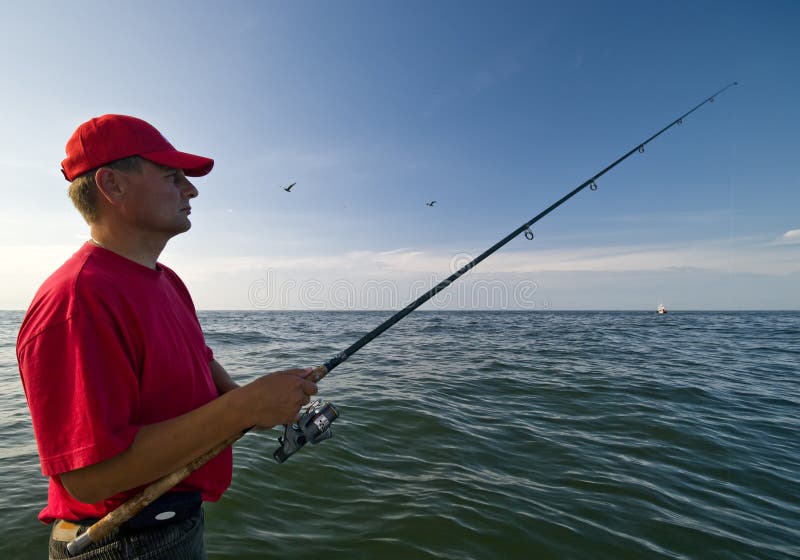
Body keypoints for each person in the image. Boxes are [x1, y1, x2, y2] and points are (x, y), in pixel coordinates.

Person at [16, 114, 319, 559]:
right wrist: (241, 407)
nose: (191, 190)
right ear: (112, 185)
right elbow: (87, 478)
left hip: (176, 528)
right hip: (119, 545)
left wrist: (254, 405)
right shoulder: (76, 300)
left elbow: (200, 363)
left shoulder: (168, 280)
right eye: (172, 176)